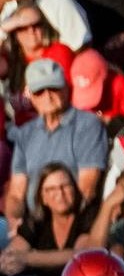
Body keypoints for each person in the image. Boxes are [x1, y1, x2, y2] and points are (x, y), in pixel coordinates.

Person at [6, 59, 106, 231]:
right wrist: (14, 223)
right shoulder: (26, 133)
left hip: (74, 223)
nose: (48, 96)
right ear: (31, 97)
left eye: (53, 88)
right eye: (40, 91)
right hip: (32, 224)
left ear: (66, 89)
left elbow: (87, 188)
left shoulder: (87, 125)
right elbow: (16, 193)